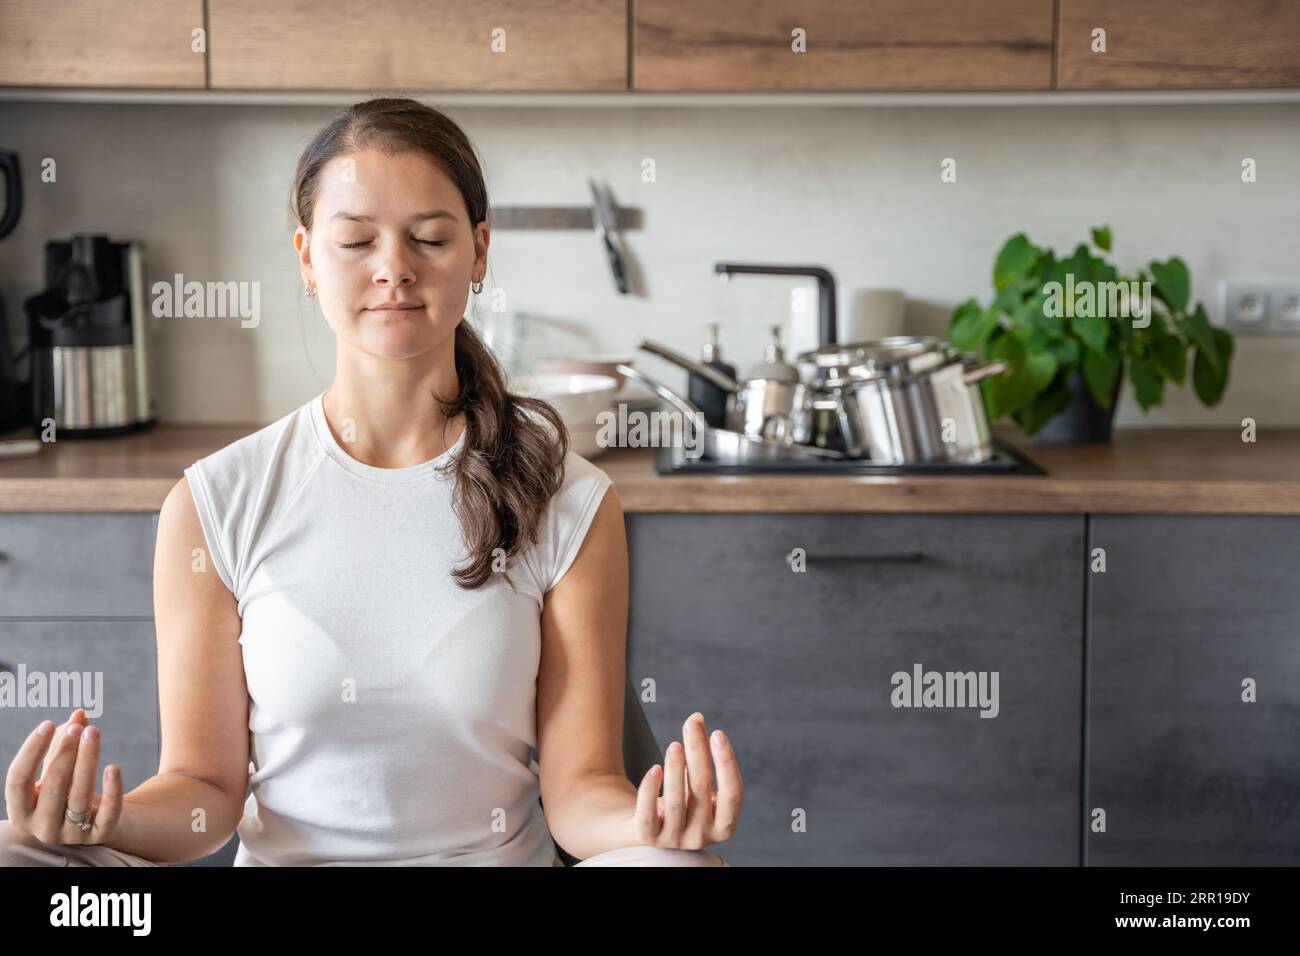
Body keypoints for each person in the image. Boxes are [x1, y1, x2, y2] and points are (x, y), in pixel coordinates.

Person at [1, 98, 742, 868]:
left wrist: (651, 826)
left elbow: (582, 789)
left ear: (479, 252)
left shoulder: (570, 499)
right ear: (306, 258)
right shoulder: (213, 502)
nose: (395, 267)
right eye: (356, 240)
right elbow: (203, 790)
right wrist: (92, 822)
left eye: (429, 237)